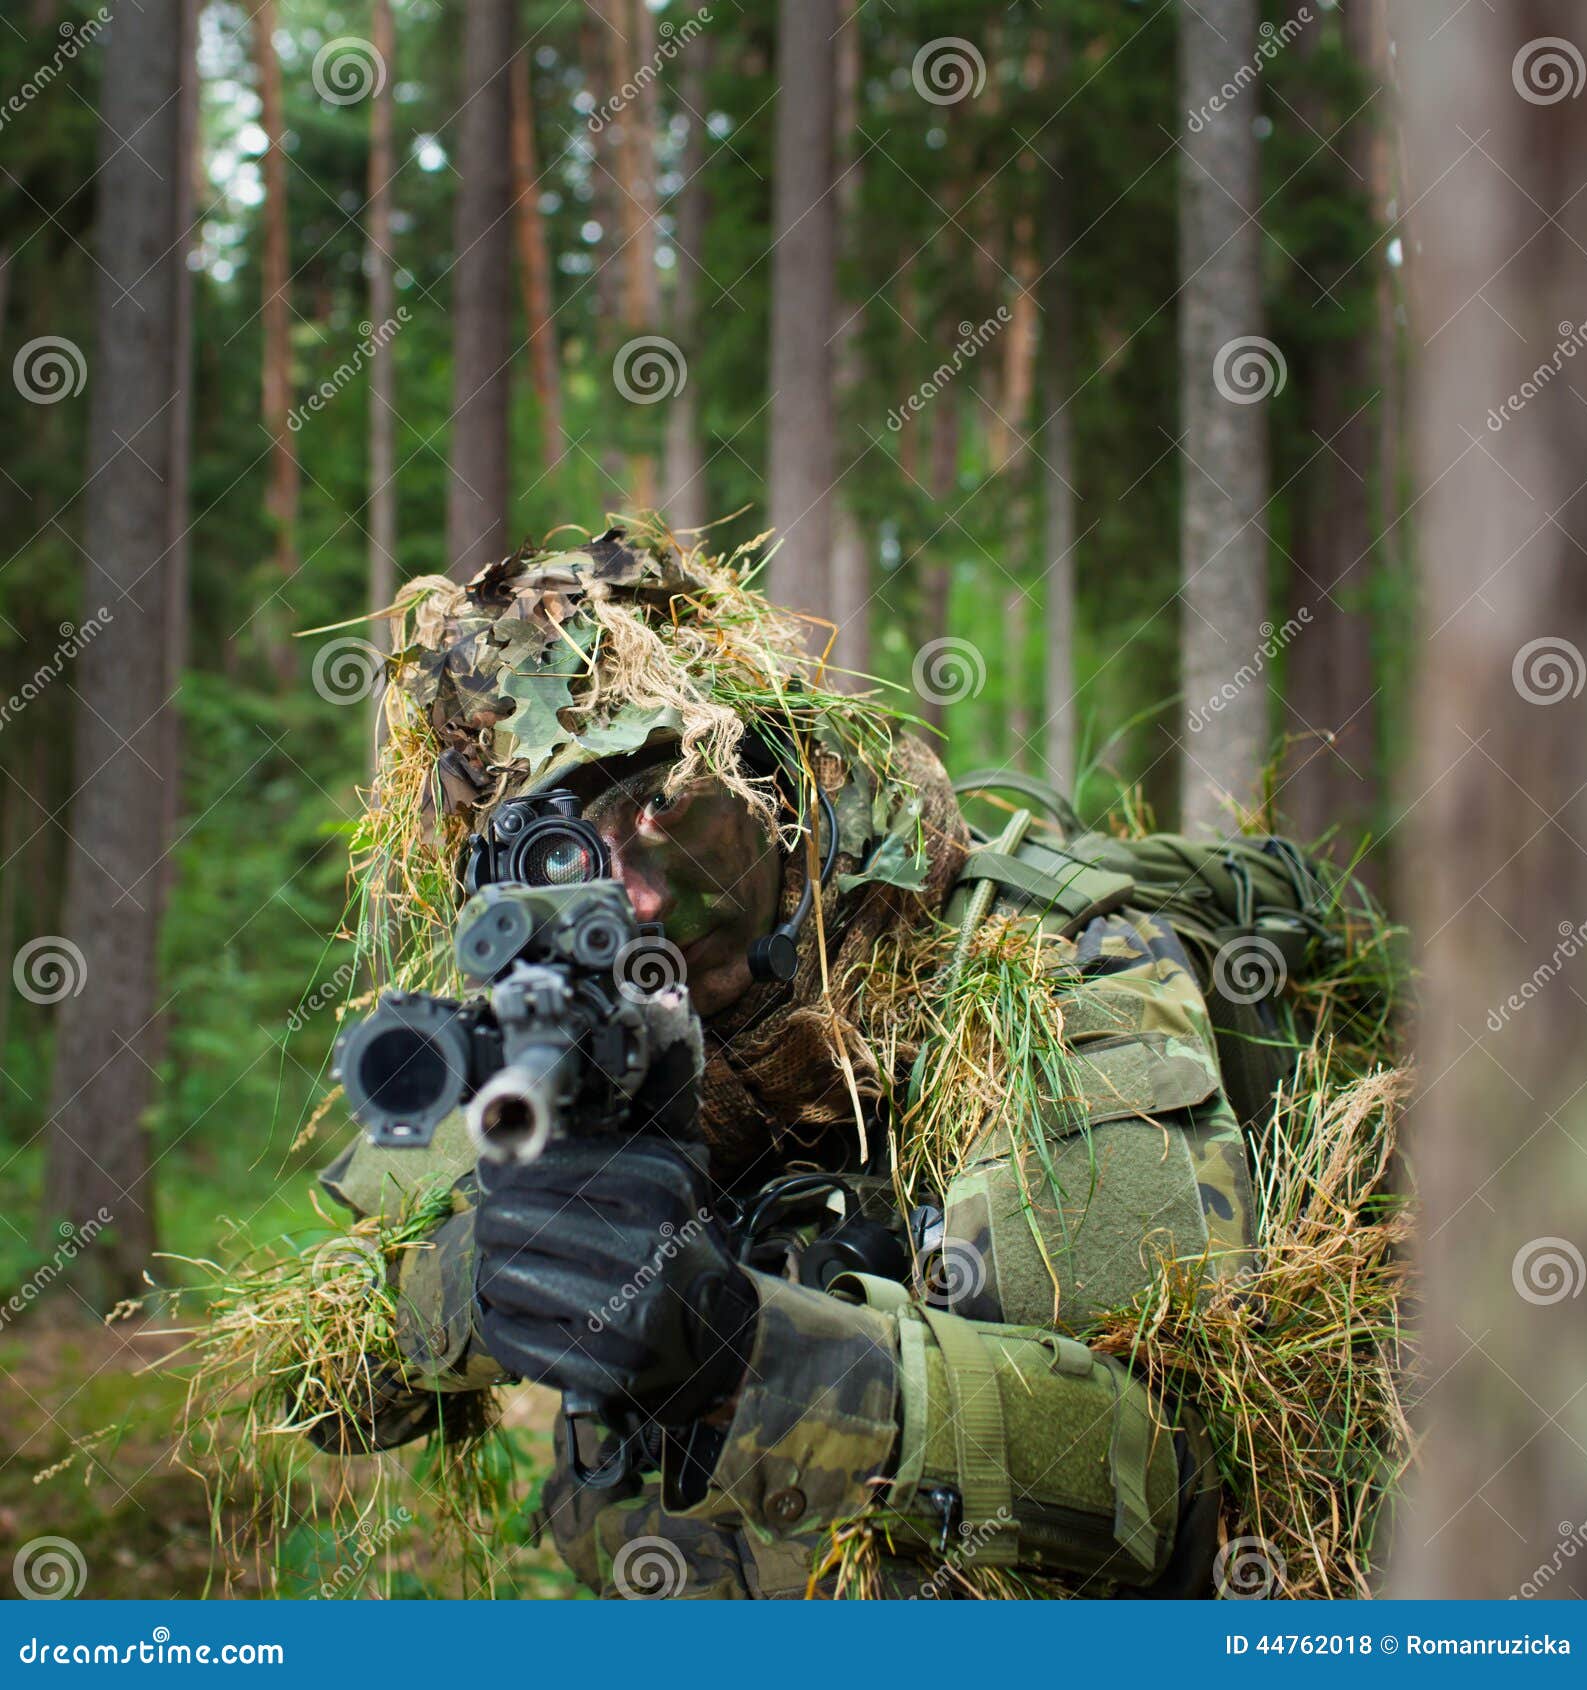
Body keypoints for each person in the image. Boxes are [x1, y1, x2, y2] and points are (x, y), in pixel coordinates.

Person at [312, 522, 1265, 1599]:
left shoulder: (1040, 979)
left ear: (772, 766)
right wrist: (488, 1279)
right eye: (559, 852)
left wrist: (742, 1361)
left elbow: (1168, 1487)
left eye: (660, 800)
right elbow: (328, 1375)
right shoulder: (549, 1033)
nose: (636, 900)